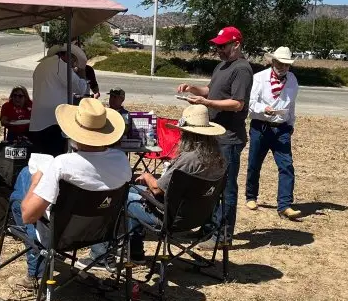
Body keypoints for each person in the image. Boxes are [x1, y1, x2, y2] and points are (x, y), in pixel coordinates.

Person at [12, 97, 129, 289]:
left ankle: (34, 272)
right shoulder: (121, 160)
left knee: (21, 190)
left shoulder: (63, 164)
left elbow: (28, 215)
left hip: (60, 233)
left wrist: (36, 181)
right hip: (98, 231)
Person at [92, 103, 227, 262]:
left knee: (124, 197)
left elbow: (157, 189)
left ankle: (116, 252)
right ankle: (134, 250)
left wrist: (148, 176)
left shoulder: (188, 159)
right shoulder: (219, 158)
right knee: (134, 189)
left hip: (170, 217)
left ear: (188, 134)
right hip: (200, 215)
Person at [176, 26, 253, 245]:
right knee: (208, 185)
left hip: (229, 138)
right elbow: (211, 90)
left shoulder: (242, 69)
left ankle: (223, 235)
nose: (217, 49)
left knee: (226, 187)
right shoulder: (222, 66)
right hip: (213, 135)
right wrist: (192, 89)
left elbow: (237, 104)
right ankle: (208, 228)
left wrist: (207, 104)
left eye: (222, 45)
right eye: (217, 46)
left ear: (236, 44)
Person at [245, 46, 302, 220]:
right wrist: (264, 109)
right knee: (255, 163)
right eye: (280, 63)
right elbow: (250, 103)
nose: (283, 67)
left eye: (287, 64)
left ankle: (284, 205)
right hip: (260, 127)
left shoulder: (292, 80)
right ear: (273, 62)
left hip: (282, 128)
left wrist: (291, 124)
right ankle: (251, 196)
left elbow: (291, 105)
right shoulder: (259, 78)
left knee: (286, 166)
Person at [29, 43, 87, 156]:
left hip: (38, 121)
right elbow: (81, 88)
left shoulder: (41, 65)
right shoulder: (61, 66)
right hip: (53, 122)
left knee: (41, 159)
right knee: (54, 158)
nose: (73, 64)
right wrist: (82, 72)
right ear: (67, 56)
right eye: (73, 60)